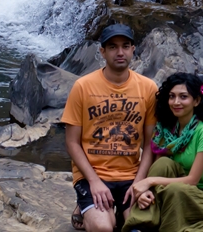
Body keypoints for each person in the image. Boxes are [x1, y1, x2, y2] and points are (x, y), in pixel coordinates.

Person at [62, 24, 158, 232]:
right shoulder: (83, 86)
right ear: (102, 52)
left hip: (130, 174)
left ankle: (108, 210)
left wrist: (140, 182)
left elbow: (151, 144)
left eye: (125, 46)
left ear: (133, 49)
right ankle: (87, 206)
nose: (120, 52)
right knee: (104, 227)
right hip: (92, 174)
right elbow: (71, 142)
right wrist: (94, 181)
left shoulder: (148, 88)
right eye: (113, 47)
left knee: (140, 227)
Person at [122, 72, 203, 232]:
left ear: (196, 101)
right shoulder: (167, 131)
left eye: (183, 97)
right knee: (163, 163)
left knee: (174, 190)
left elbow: (193, 180)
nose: (176, 102)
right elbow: (160, 167)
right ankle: (139, 225)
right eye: (172, 96)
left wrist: (149, 182)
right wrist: (145, 192)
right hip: (177, 190)